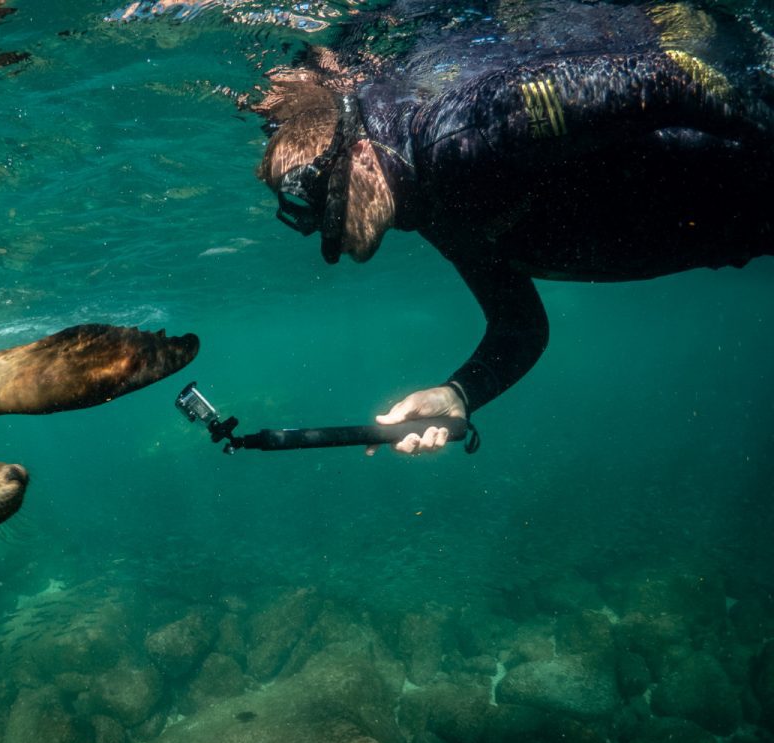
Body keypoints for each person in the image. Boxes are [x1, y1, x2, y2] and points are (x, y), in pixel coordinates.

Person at [254, 0, 774, 454]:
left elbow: (672, 76)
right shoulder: (438, 210)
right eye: (301, 206)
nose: (319, 223)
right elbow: (520, 329)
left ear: (362, 153)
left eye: (317, 191)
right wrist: (458, 394)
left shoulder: (459, 136)